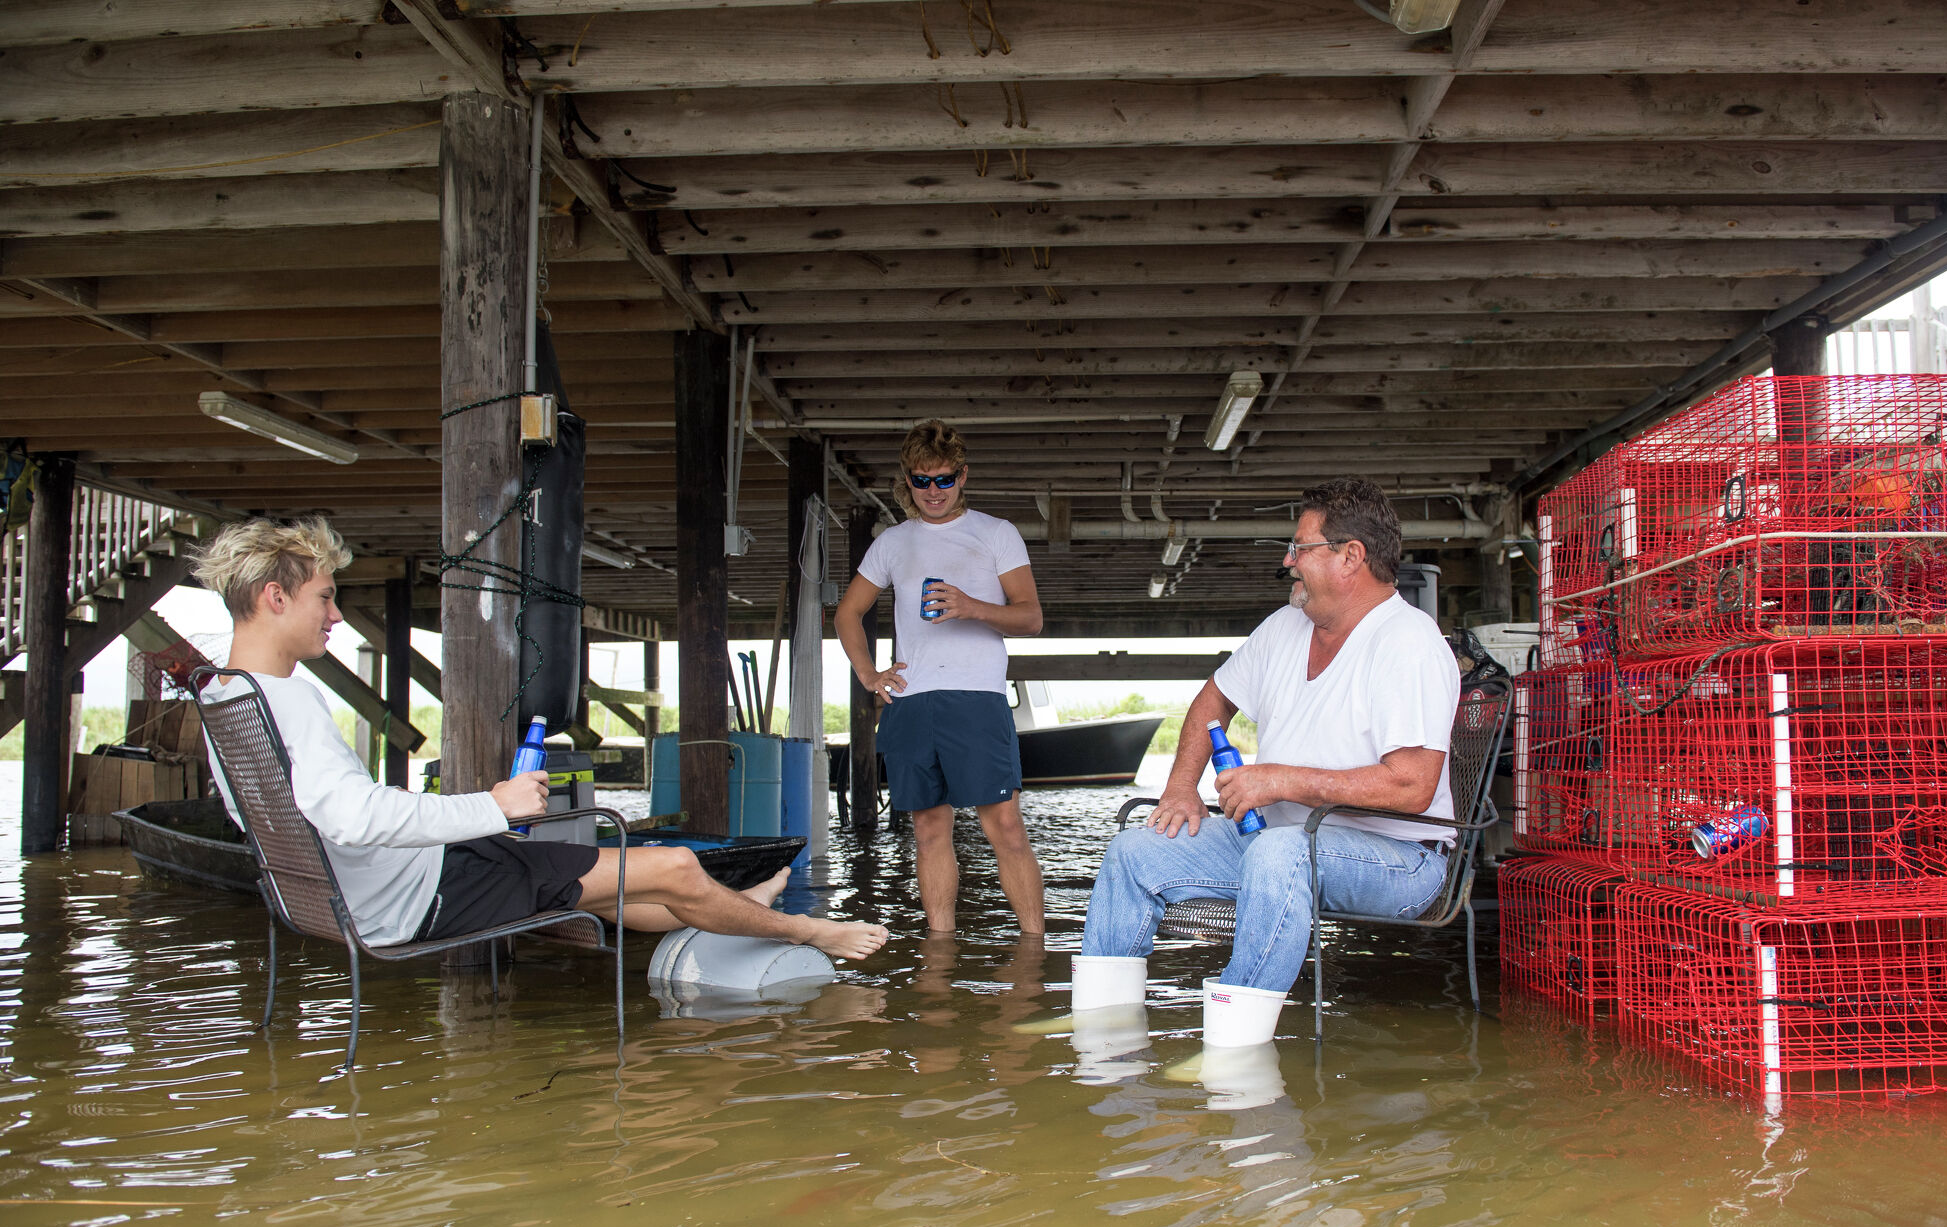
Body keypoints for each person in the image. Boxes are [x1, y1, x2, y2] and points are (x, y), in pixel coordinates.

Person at [190, 516, 888, 962]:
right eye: (323, 597)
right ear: (275, 598)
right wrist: (493, 806)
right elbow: (353, 815)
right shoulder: (290, 701)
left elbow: (317, 818)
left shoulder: (225, 698)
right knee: (673, 865)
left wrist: (473, 820)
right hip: (415, 900)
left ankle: (740, 912)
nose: (336, 613)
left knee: (593, 881)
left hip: (356, 895)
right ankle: (809, 931)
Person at [1032, 477, 1458, 1092]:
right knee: (1134, 851)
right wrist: (1181, 787)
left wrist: (1281, 779)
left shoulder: (1407, 642)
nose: (1287, 559)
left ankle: (1235, 1052)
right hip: (1275, 844)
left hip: (1401, 859)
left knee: (1284, 853)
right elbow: (1214, 699)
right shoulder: (1283, 627)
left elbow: (1412, 787)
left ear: (1350, 557)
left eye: (1300, 546)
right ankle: (1099, 1034)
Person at [833, 420, 1046, 937]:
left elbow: (1032, 618)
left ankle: (1034, 949)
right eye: (921, 480)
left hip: (976, 700)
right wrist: (868, 674)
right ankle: (940, 947)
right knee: (928, 831)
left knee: (1006, 828)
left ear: (963, 476)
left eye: (944, 479)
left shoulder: (996, 533)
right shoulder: (892, 542)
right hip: (911, 701)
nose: (932, 491)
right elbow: (846, 614)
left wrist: (971, 606)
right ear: (907, 481)